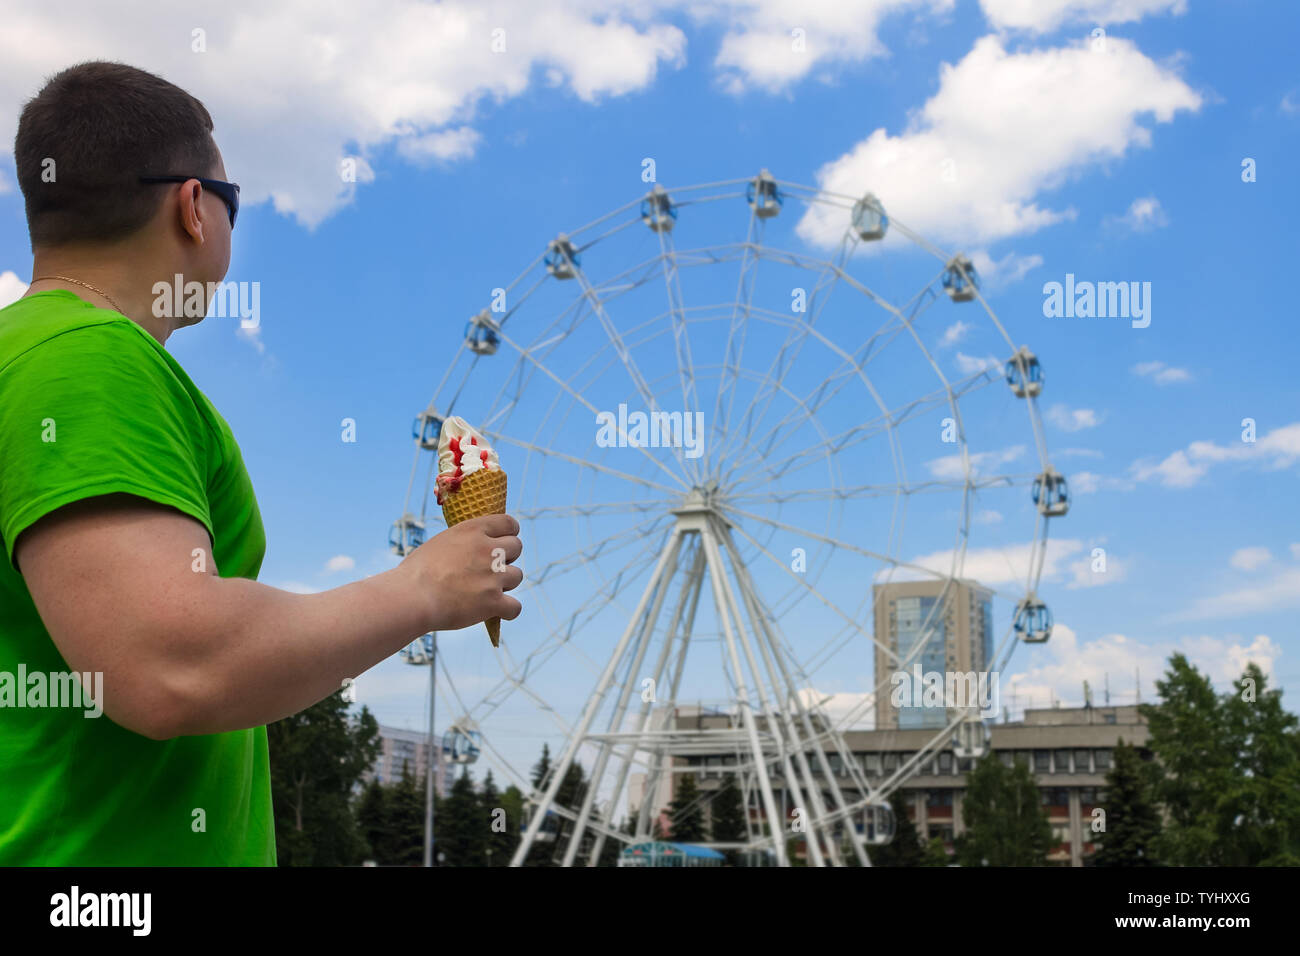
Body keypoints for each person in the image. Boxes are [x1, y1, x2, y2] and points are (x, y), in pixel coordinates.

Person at [0, 61, 522, 865]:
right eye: (231, 198)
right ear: (193, 208)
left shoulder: (35, 354)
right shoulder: (89, 362)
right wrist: (421, 589)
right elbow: (169, 663)